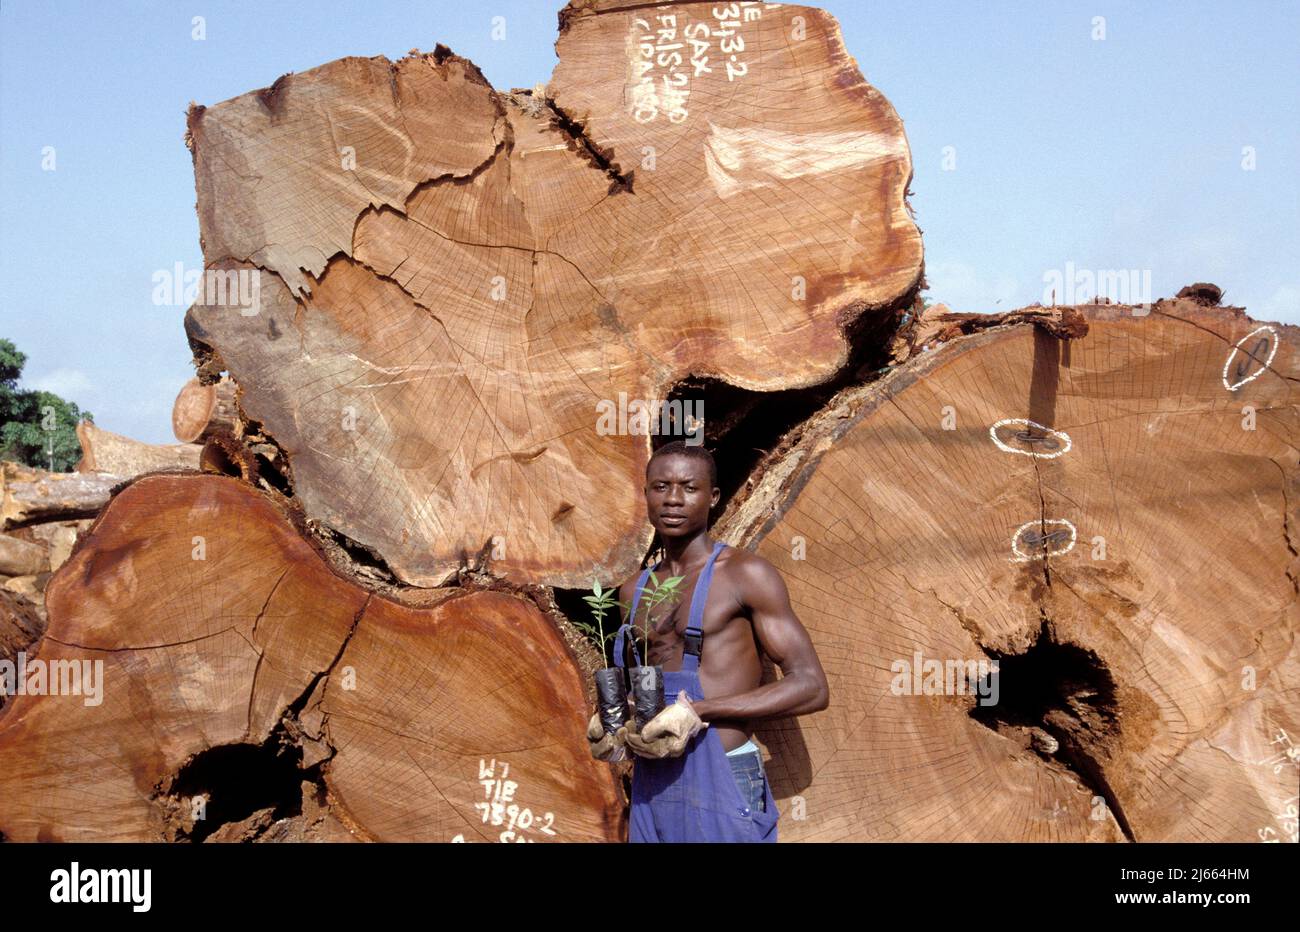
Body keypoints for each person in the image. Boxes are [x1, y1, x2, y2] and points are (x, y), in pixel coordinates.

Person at [586, 440, 830, 842]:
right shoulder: (633, 591)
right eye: (661, 487)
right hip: (655, 782)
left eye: (689, 487)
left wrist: (699, 712)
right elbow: (645, 693)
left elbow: (811, 687)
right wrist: (615, 726)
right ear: (645, 494)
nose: (673, 500)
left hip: (725, 774)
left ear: (713, 497)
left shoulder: (744, 574)